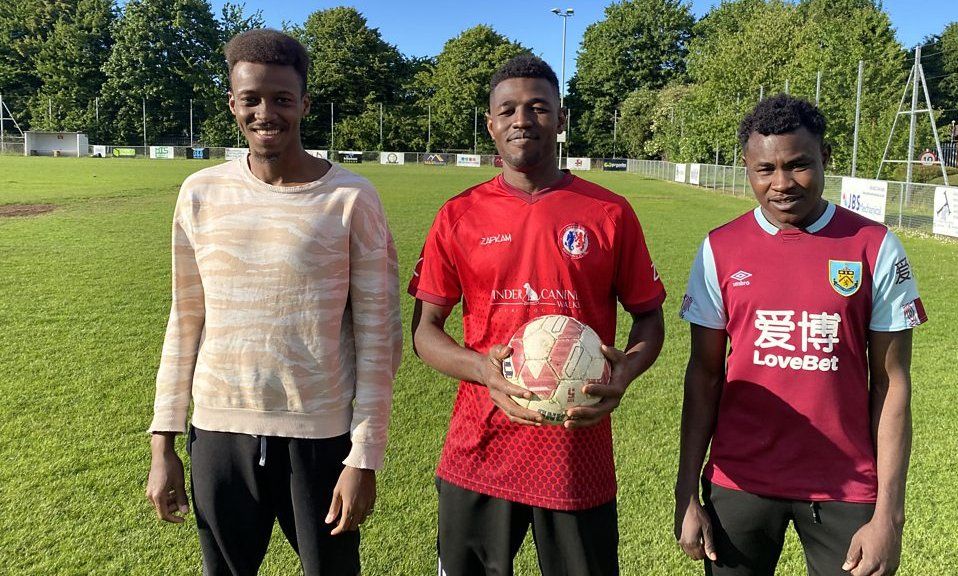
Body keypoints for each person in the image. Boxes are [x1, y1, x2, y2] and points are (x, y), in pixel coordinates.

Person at [144, 28, 401, 576]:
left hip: (319, 439)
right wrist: (162, 442)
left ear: (304, 103)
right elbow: (185, 319)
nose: (267, 112)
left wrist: (364, 457)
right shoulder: (199, 193)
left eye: (282, 99)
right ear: (231, 102)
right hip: (218, 436)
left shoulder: (352, 199)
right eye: (252, 99)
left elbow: (381, 337)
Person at [409, 54, 666, 576]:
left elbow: (649, 319)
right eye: (507, 110)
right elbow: (424, 331)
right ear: (490, 123)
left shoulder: (609, 213)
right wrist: (484, 369)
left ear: (561, 118)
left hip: (576, 451)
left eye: (538, 108)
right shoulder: (458, 215)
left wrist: (626, 371)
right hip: (480, 444)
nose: (521, 120)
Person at [675, 94, 926, 576]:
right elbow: (704, 376)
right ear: (746, 169)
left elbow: (891, 384)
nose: (782, 183)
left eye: (798, 165)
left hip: (846, 489)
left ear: (825, 158)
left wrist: (889, 517)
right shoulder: (719, 249)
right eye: (764, 169)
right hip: (740, 482)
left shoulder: (874, 246)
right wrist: (686, 494)